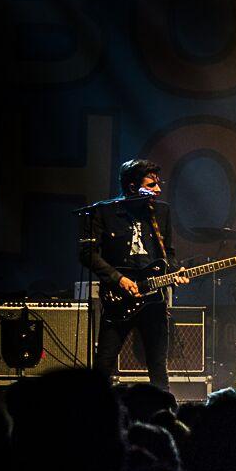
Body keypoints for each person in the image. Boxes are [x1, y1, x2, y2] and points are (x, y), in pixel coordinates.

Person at [79, 159, 188, 390]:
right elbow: (87, 254)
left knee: (157, 364)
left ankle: (162, 407)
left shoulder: (161, 211)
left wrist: (174, 271)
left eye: (158, 184)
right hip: (118, 297)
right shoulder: (104, 212)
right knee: (104, 362)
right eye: (151, 185)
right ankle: (94, 405)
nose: (158, 190)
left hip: (154, 299)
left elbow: (168, 253)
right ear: (131, 187)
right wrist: (118, 279)